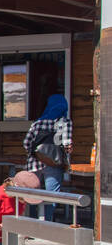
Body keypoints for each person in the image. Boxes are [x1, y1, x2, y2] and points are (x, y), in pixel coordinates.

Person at [22, 93, 73, 223]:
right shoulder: (65, 122)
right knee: (52, 195)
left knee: (31, 193)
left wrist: (36, 154)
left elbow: (26, 143)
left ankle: (31, 222)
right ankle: (47, 224)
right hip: (54, 164)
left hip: (34, 163)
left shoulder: (38, 123)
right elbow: (67, 145)